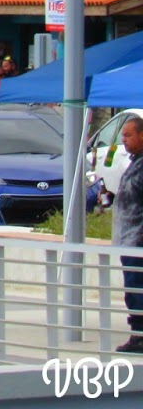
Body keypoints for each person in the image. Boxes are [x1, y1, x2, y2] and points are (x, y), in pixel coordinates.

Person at [111, 114, 143, 353]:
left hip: (138, 240)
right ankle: (137, 334)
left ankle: (140, 335)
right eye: (123, 135)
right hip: (128, 240)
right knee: (132, 290)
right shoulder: (135, 162)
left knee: (137, 289)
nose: (124, 140)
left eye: (128, 135)